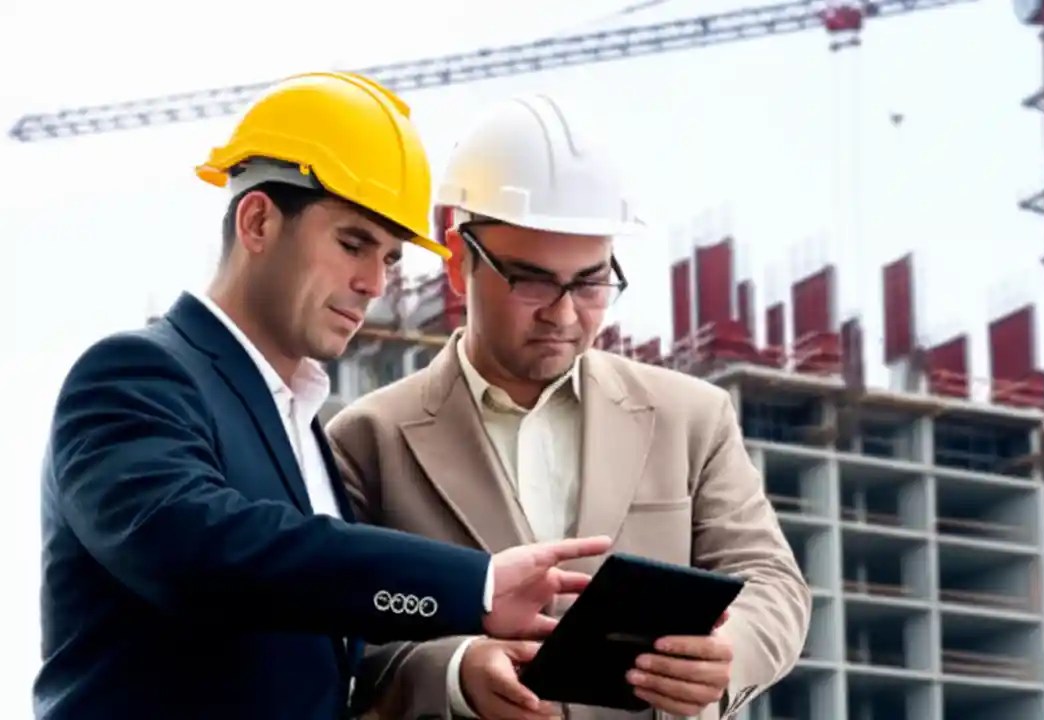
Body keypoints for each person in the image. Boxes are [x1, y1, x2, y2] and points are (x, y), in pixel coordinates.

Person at [33, 72, 612, 720]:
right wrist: (474, 585)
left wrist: (462, 666)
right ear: (257, 221)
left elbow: (317, 654)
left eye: (391, 259)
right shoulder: (133, 376)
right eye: (353, 243)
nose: (373, 283)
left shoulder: (303, 430)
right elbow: (200, 552)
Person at [326, 93, 812, 720]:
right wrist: (453, 673)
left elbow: (772, 583)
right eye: (530, 280)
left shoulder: (692, 418)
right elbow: (332, 641)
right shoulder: (369, 441)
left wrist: (727, 654)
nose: (562, 314)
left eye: (589, 283)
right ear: (459, 263)